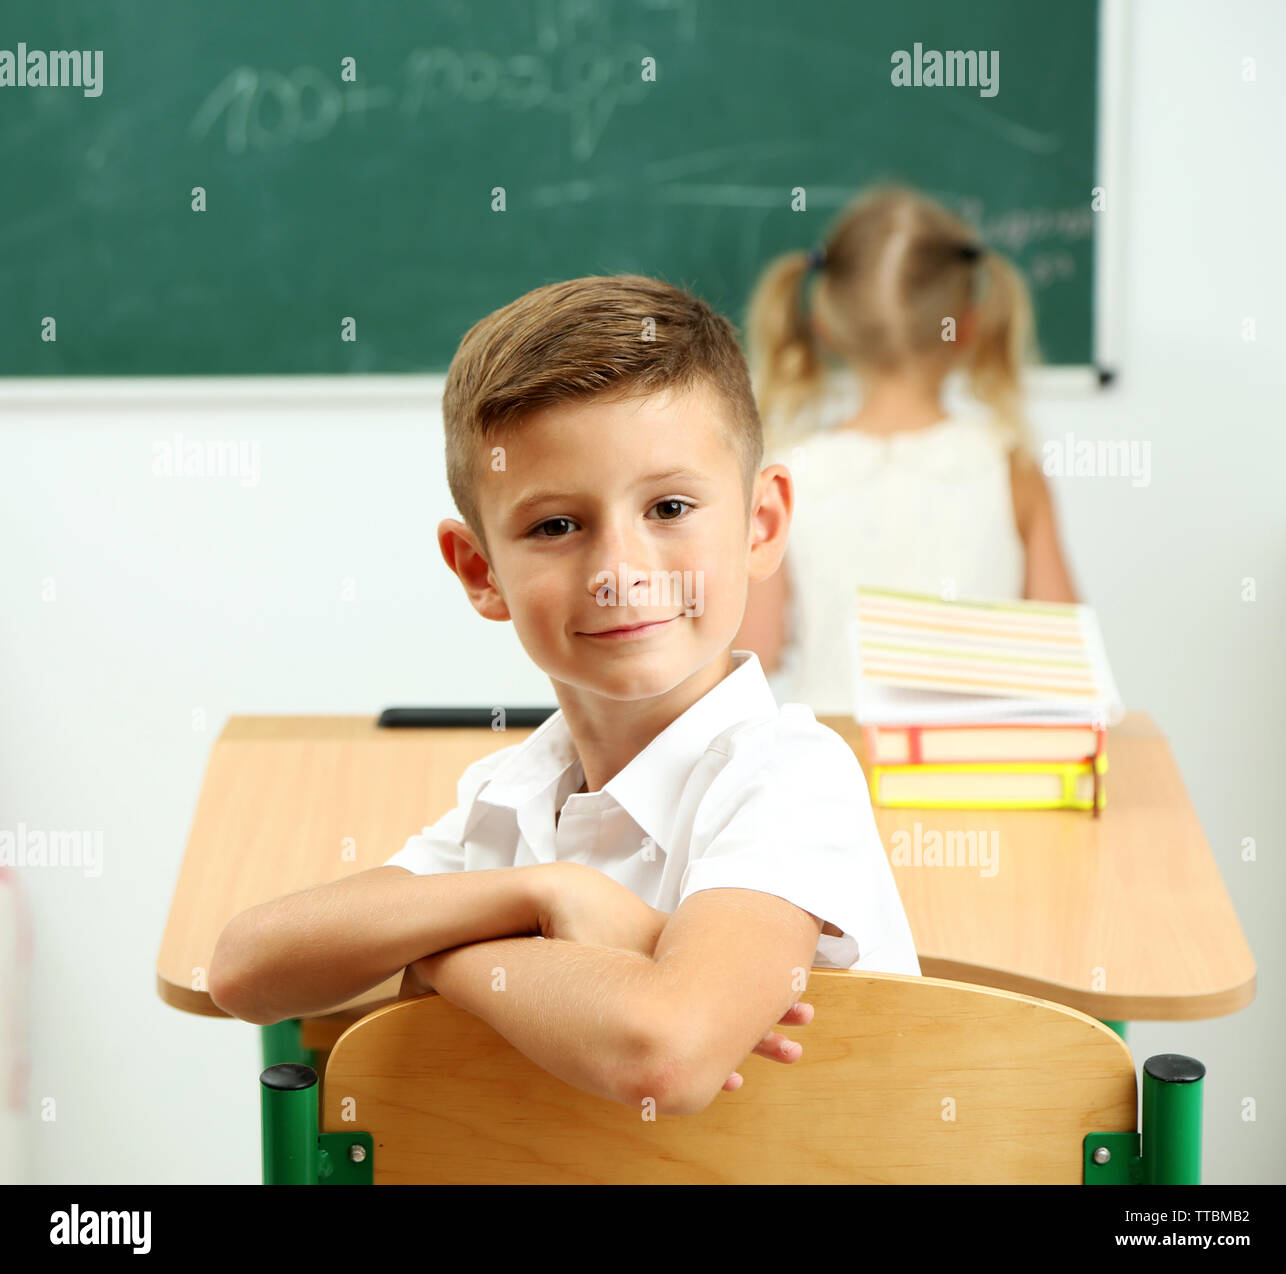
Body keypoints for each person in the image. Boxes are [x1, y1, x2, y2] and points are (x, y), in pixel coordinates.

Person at [210, 274, 919, 1118]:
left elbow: (665, 1056)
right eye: (555, 526)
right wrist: (541, 896)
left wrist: (442, 955)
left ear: (760, 523)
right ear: (480, 572)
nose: (619, 574)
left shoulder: (789, 778)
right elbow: (244, 970)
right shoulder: (513, 799)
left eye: (670, 506)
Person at [737, 183, 1080, 716]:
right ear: (969, 326)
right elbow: (1062, 654)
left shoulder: (786, 476)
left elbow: (754, 649)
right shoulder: (1009, 464)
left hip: (830, 768)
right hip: (976, 765)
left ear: (825, 328)